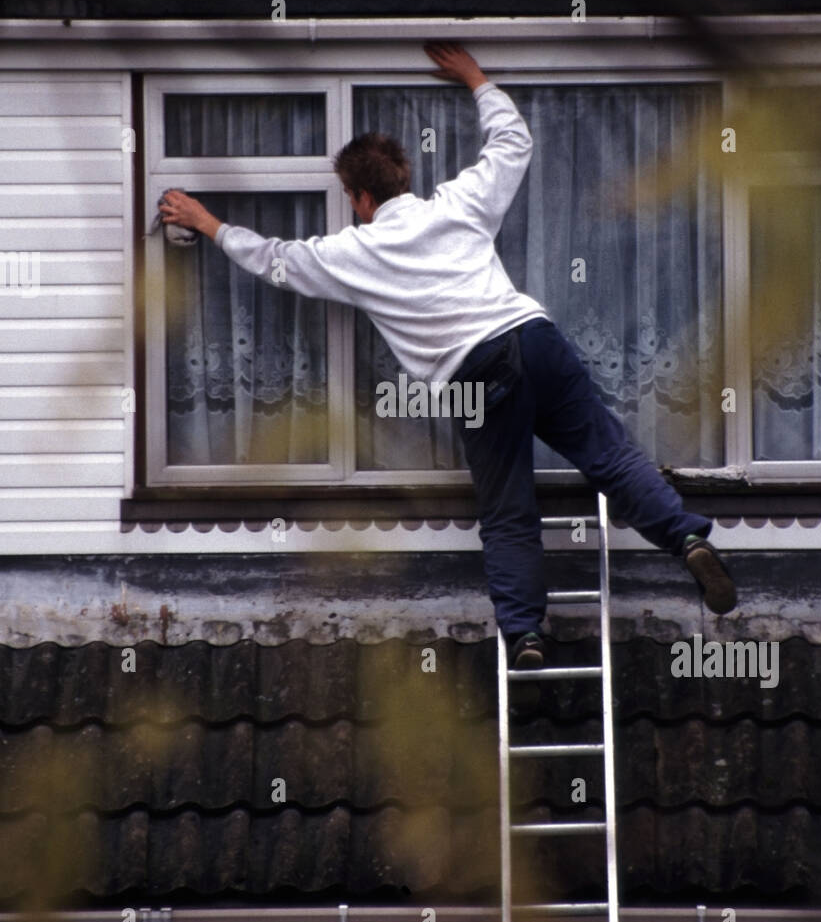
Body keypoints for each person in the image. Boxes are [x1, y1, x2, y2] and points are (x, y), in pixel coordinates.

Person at [159, 42, 736, 670]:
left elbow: (276, 261)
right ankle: (685, 536)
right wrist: (477, 79)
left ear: (358, 196)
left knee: (507, 509)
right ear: (405, 178)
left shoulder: (353, 253)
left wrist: (207, 222)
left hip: (477, 376)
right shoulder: (458, 205)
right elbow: (512, 144)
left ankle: (526, 634)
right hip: (533, 336)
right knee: (611, 456)